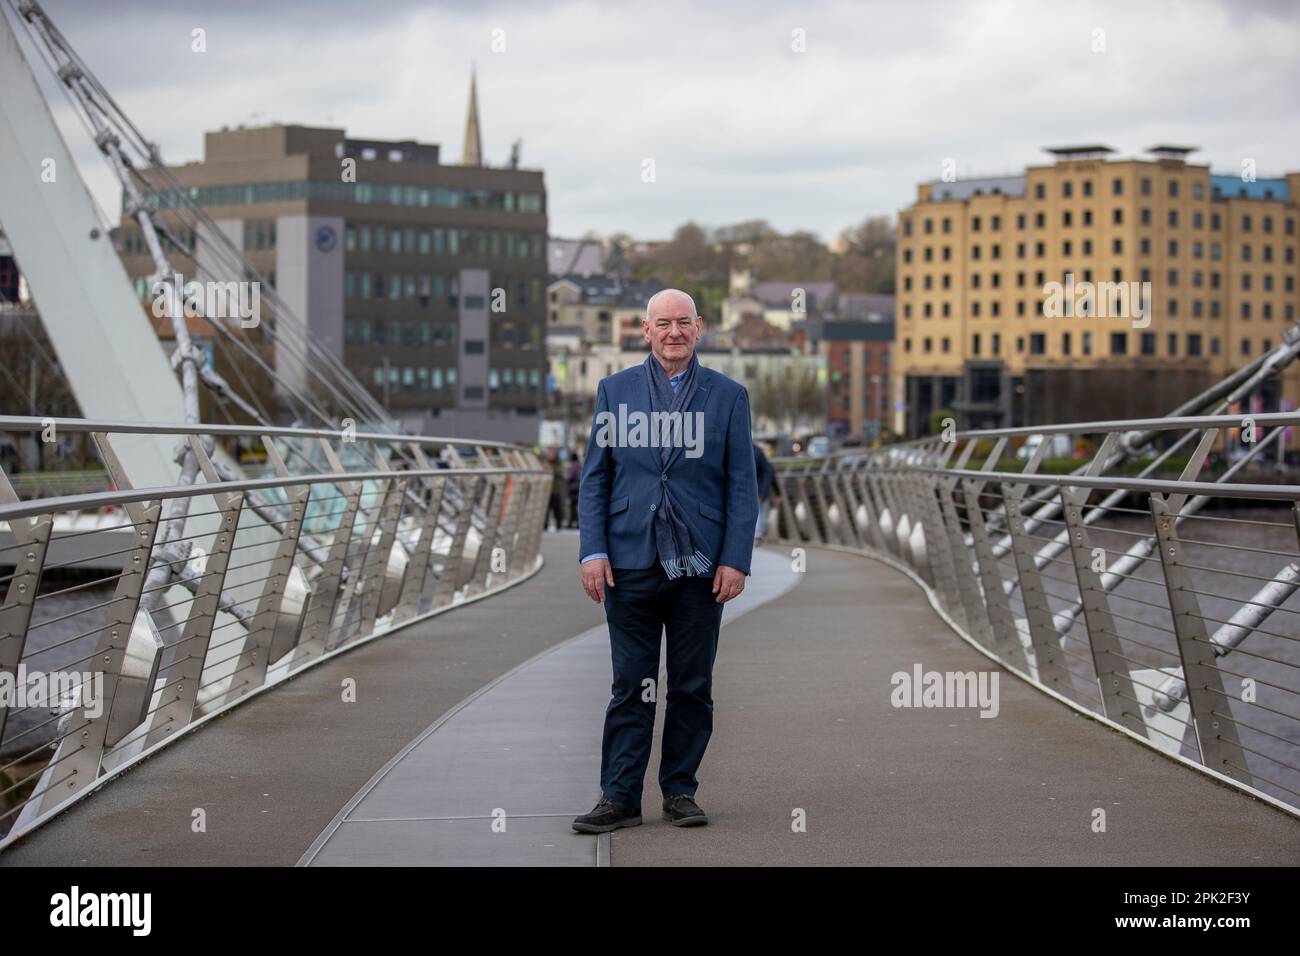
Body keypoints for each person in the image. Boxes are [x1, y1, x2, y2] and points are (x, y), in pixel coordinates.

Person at [572, 288, 758, 834]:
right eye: (663, 323)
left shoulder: (729, 396)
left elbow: (741, 487)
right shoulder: (615, 391)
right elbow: (596, 478)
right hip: (629, 558)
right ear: (645, 330)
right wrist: (593, 549)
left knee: (691, 684)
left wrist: (736, 560)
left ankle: (680, 791)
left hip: (700, 564)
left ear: (699, 328)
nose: (674, 332)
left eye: (683, 322)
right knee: (630, 684)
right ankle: (619, 796)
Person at [752, 441, 774, 544]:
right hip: (758, 489)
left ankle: (757, 534)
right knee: (759, 511)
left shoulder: (754, 451)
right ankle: (758, 534)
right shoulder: (757, 451)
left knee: (758, 511)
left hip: (755, 489)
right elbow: (768, 471)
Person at [545, 448, 566, 531]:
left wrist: (550, 468)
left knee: (557, 509)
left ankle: (559, 525)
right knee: (547, 509)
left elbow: (560, 472)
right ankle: (545, 525)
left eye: (551, 454)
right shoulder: (547, 462)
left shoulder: (558, 463)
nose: (549, 455)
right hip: (548, 490)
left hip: (556, 490)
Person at [564, 449, 582, 529]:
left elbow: (568, 477)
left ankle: (571, 523)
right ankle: (577, 523)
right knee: (577, 507)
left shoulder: (573, 466)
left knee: (571, 507)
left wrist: (565, 477)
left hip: (572, 489)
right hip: (579, 489)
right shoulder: (580, 465)